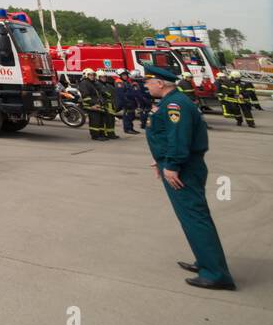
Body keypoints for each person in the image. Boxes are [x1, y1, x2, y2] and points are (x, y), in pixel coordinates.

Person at [141, 64, 235, 291]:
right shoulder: (171, 102)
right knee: (191, 217)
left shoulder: (175, 105)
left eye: (149, 82)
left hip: (184, 169)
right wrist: (160, 159)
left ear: (160, 83)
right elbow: (167, 136)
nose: (146, 85)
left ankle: (216, 274)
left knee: (194, 217)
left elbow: (179, 138)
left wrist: (171, 165)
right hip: (177, 164)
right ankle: (205, 262)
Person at [78, 68, 107, 141]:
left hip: (97, 104)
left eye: (93, 75)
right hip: (91, 106)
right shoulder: (84, 83)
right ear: (86, 75)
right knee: (95, 121)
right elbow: (85, 96)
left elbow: (98, 94)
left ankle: (101, 134)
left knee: (100, 121)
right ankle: (95, 136)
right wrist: (93, 104)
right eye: (90, 75)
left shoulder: (93, 83)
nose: (92, 76)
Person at [97, 70, 120, 139]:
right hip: (104, 105)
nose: (104, 78)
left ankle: (111, 134)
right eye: (102, 77)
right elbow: (99, 95)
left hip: (111, 105)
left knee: (111, 120)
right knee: (105, 121)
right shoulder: (97, 85)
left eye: (104, 77)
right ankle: (104, 134)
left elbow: (114, 95)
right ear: (98, 77)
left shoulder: (108, 85)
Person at [114, 70, 138, 135]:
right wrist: (127, 102)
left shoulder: (126, 82)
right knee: (127, 115)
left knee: (131, 115)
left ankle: (131, 128)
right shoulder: (119, 82)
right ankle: (127, 129)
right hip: (125, 101)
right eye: (123, 75)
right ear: (120, 75)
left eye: (126, 75)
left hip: (130, 101)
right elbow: (121, 94)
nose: (125, 76)